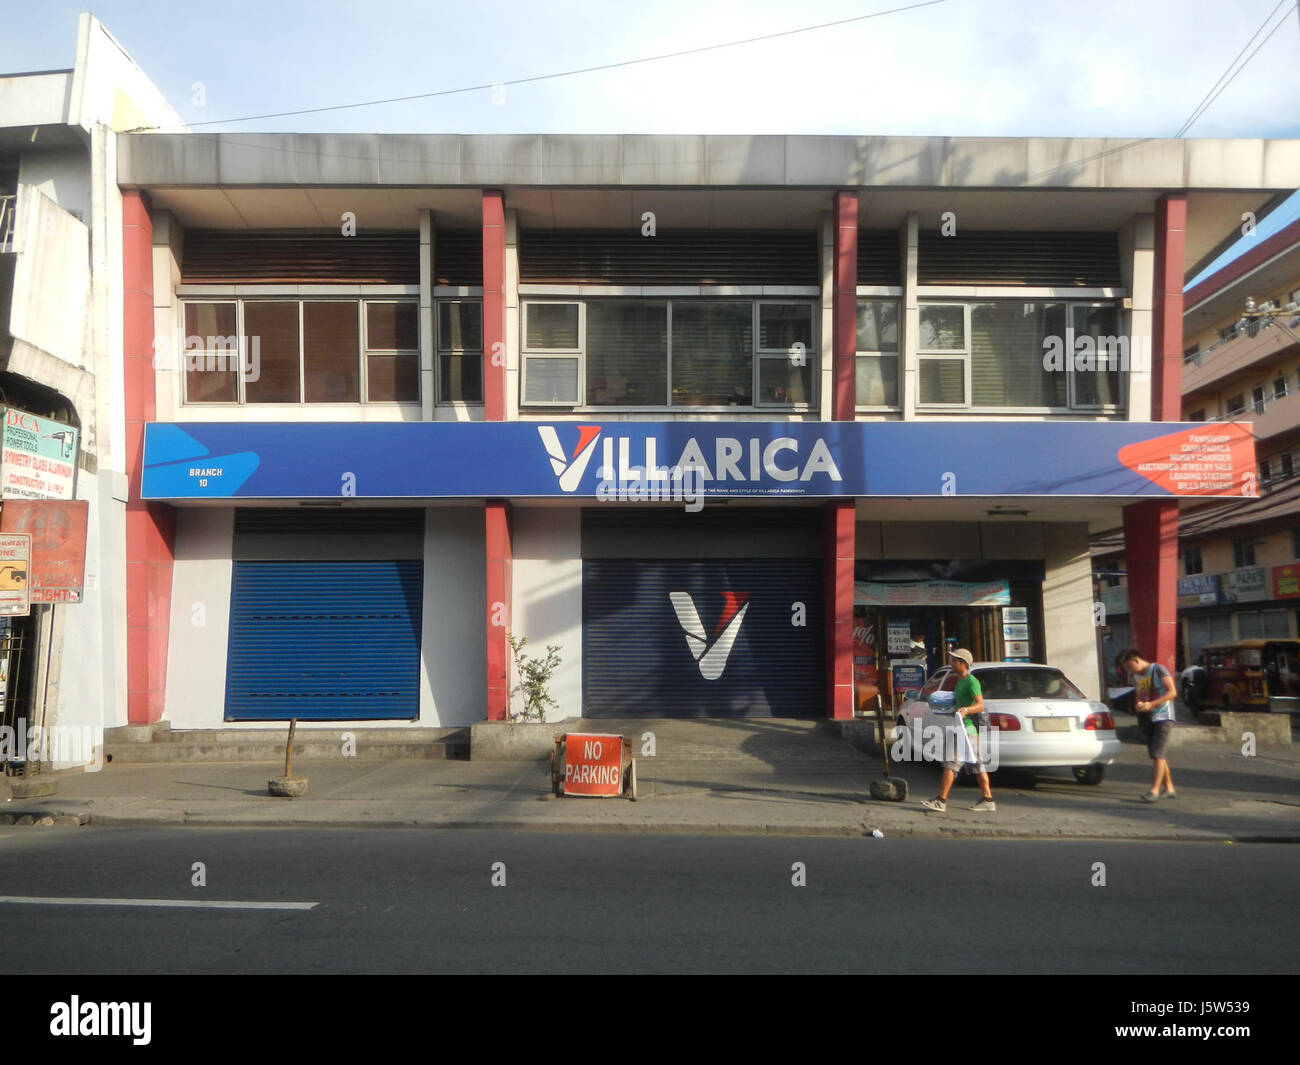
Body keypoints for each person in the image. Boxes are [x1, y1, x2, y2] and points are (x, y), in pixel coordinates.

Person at [920, 648, 996, 813]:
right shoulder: (959, 681)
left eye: (954, 661)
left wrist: (966, 710)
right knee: (977, 765)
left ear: (963, 663)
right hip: (963, 728)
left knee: (951, 763)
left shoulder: (971, 681)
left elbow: (980, 704)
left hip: (967, 729)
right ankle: (988, 800)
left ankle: (941, 801)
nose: (951, 663)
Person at [1120, 648, 1177, 802]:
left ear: (1136, 660)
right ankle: (1169, 788)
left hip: (1163, 717)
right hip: (1148, 718)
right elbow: (1142, 695)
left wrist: (1151, 704)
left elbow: (1172, 692)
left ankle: (1154, 791)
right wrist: (1139, 703)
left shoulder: (1158, 669)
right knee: (1157, 754)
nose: (1130, 670)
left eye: (1130, 666)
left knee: (1158, 754)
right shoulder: (1140, 676)